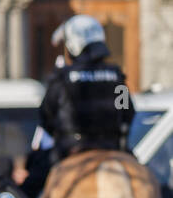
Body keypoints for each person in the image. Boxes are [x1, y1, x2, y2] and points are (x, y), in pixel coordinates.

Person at [39, 14, 134, 161]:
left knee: (36, 178)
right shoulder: (116, 76)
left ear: (72, 44)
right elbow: (127, 114)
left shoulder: (63, 77)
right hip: (112, 147)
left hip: (70, 148)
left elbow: (47, 115)